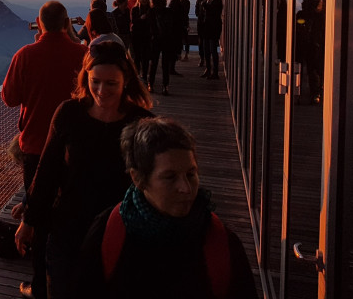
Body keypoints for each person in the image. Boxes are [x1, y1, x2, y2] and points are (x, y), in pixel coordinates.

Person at [14, 40, 153, 299]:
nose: (101, 90)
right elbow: (47, 171)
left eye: (111, 83)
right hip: (67, 230)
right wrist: (29, 221)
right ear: (85, 76)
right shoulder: (68, 113)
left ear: (126, 82)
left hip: (119, 232)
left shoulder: (141, 123)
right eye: (95, 80)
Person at [82, 117, 256, 298]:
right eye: (170, 177)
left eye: (191, 174)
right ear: (138, 178)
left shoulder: (222, 244)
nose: (186, 188)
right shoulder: (108, 235)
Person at [3, 0, 87, 299]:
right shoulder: (83, 53)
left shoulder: (26, 55)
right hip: (76, 150)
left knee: (38, 216)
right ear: (67, 23)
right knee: (74, 214)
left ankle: (41, 287)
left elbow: (10, 98)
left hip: (36, 148)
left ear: (39, 24)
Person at [148, 0, 178, 95]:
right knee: (165, 64)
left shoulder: (151, 12)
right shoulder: (169, 11)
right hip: (167, 40)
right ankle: (165, 86)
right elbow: (173, 26)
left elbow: (150, 27)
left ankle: (150, 85)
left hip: (156, 40)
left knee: (154, 63)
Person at [202, 0, 224, 80]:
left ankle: (215, 72)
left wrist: (205, 6)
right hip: (208, 27)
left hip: (213, 27)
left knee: (212, 49)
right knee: (206, 49)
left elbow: (214, 11)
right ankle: (208, 69)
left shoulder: (216, 0)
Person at [131, 0, 153, 87]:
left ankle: (144, 75)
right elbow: (133, 21)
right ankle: (137, 75)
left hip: (147, 35)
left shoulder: (150, 9)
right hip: (136, 35)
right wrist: (141, 19)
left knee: (145, 57)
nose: (144, 0)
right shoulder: (135, 9)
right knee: (137, 56)